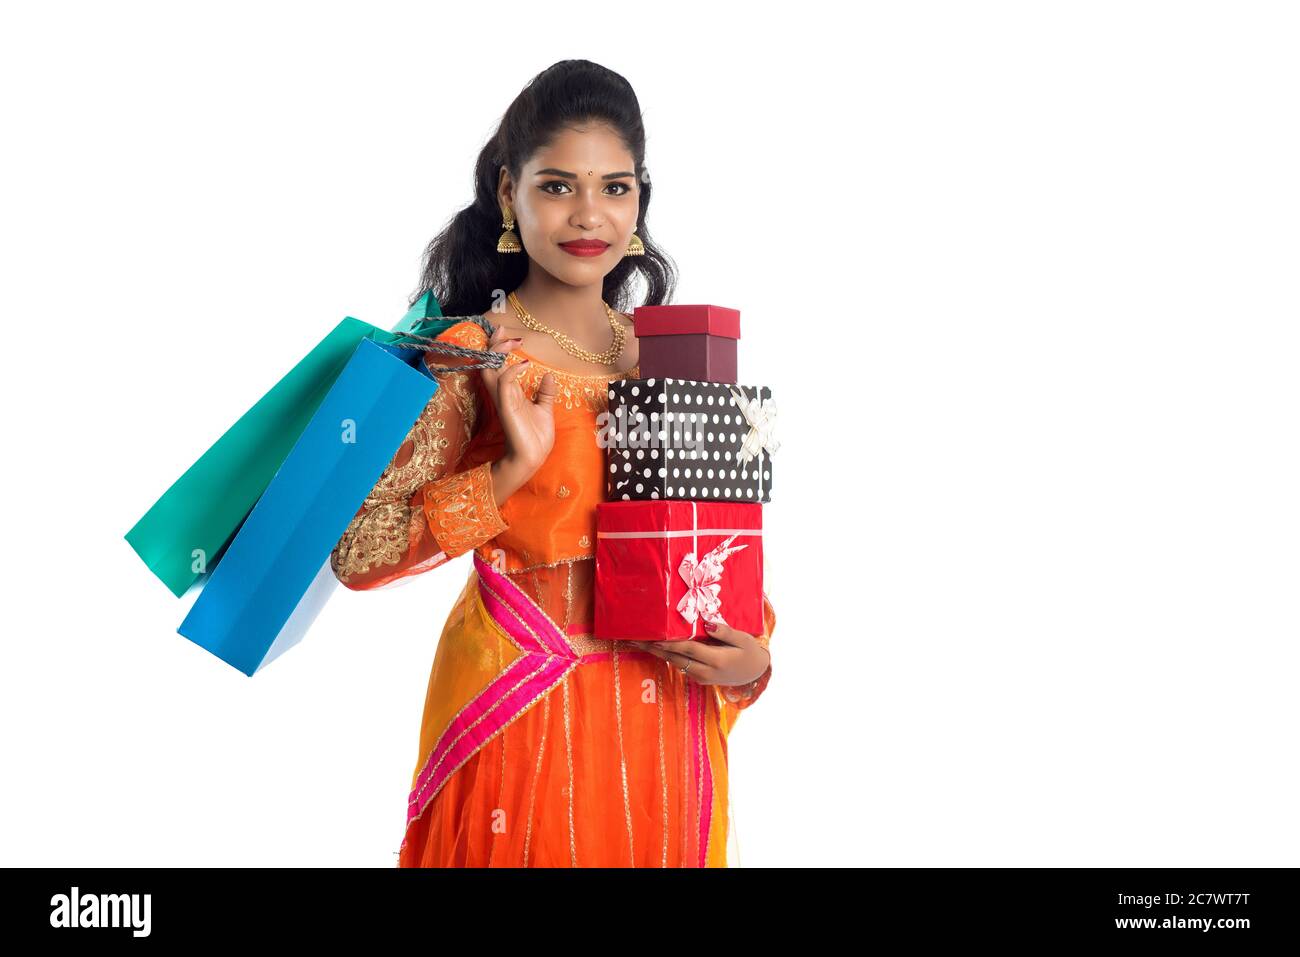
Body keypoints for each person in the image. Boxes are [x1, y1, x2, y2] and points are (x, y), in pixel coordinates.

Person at [330, 59, 776, 867]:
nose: (589, 215)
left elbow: (721, 550)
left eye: (614, 188)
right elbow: (357, 552)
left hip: (664, 731)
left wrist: (751, 660)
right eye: (557, 186)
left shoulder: (675, 356)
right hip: (524, 718)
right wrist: (507, 474)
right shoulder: (475, 355)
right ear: (508, 193)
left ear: (640, 198)